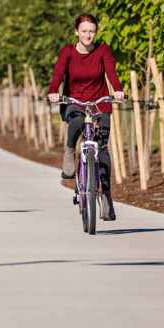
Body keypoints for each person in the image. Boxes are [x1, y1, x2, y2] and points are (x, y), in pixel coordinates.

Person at [47, 14, 125, 221]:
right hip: (74, 101)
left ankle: (106, 196)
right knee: (76, 121)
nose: (88, 35)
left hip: (100, 101)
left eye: (92, 31)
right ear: (76, 32)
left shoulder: (102, 50)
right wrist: (54, 91)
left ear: (96, 32)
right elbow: (58, 74)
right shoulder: (68, 52)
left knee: (101, 146)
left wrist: (117, 90)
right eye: (84, 31)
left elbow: (111, 73)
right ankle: (70, 148)